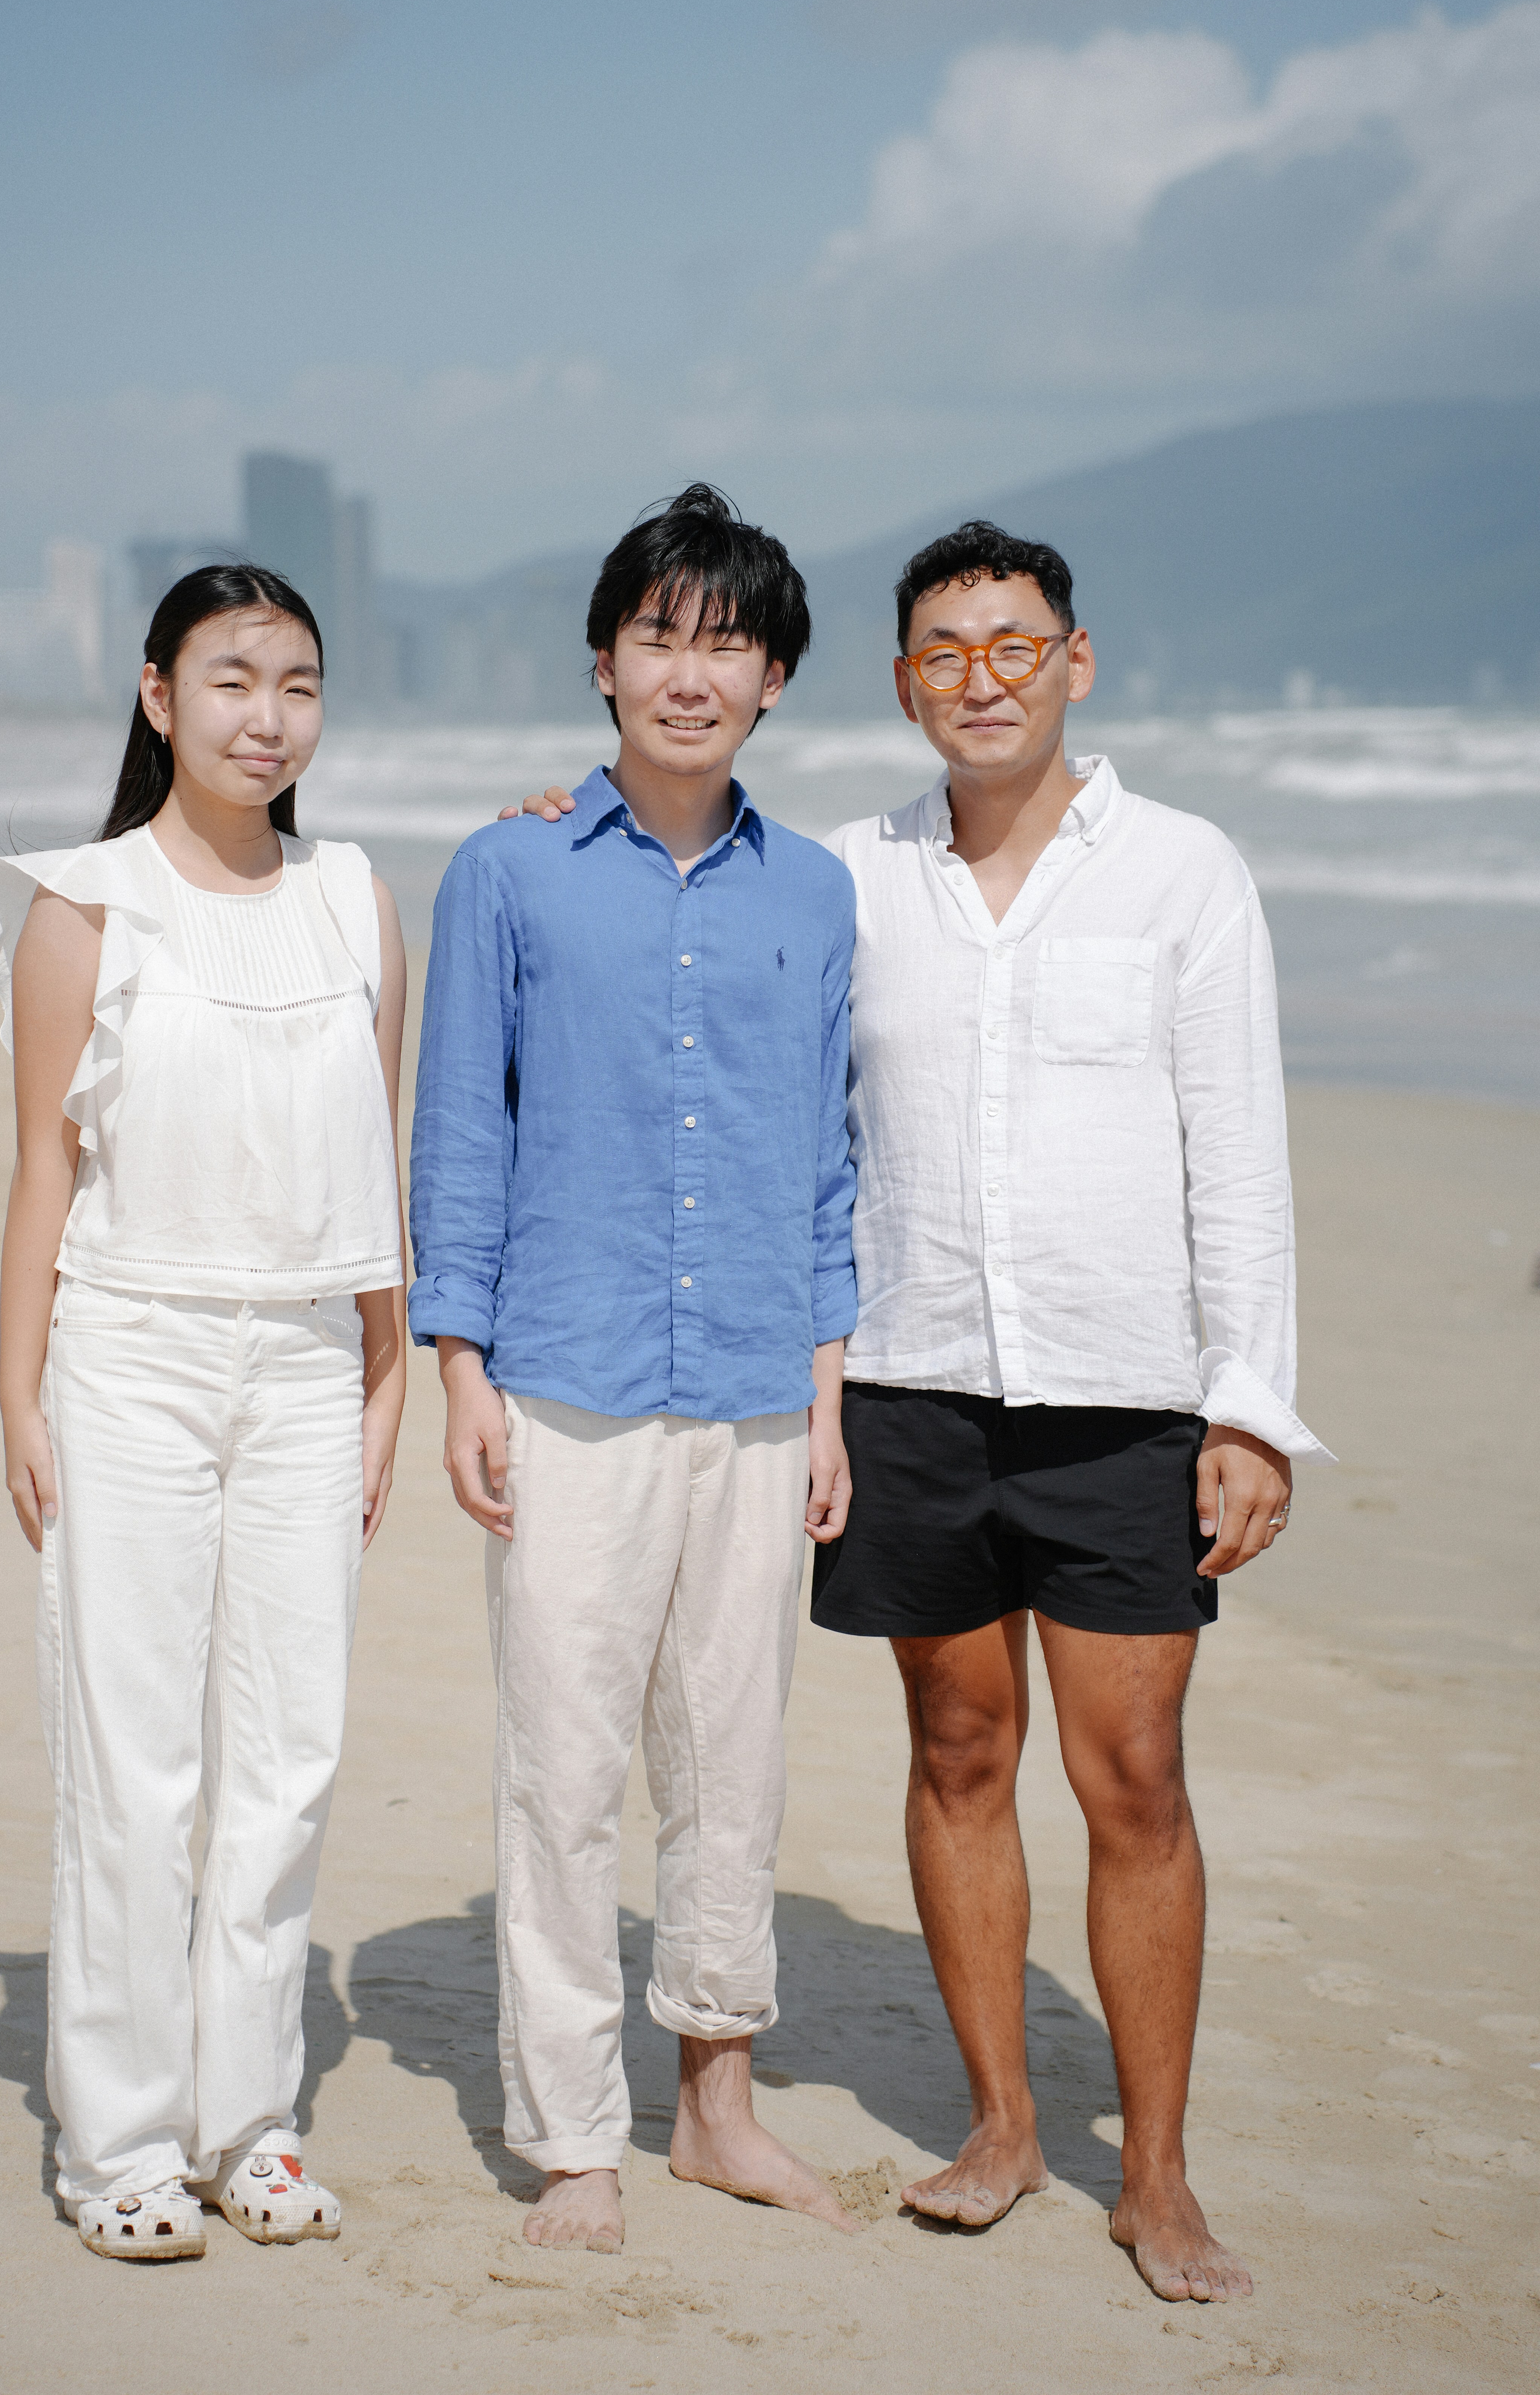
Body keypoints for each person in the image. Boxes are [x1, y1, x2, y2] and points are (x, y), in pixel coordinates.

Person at [501, 517, 1331, 2306]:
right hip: (908, 1385)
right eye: (944, 652)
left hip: (1121, 1397)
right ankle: (1004, 2126)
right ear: (896, 685)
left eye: (1011, 645)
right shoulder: (842, 879)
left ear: (1074, 661)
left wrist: (1247, 1410)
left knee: (1135, 1781)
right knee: (956, 1753)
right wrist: (544, 833)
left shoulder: (1184, 874)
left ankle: (1160, 2177)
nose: (980, 678)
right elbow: (688, 932)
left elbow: (1241, 1158)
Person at [409, 485, 861, 2256]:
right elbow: (461, 1134)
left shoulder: (817, 891)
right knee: (564, 1764)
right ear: (604, 660)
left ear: (772, 678)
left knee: (732, 1758)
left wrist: (827, 1400)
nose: (691, 671)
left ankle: (716, 2107)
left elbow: (827, 1163)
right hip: (567, 1380)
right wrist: (461, 1369)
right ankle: (574, 2135)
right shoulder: (507, 869)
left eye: (726, 640)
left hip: (758, 1385)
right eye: (658, 635)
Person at [0, 562, 407, 2262]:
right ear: (159, 696)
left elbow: (376, 1162)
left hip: (310, 1366)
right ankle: (121, 2146)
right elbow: (42, 1165)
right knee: (133, 1760)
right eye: (232, 680)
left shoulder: (361, 895)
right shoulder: (82, 907)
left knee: (287, 1758)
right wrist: (13, 1391)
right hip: (135, 1358)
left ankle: (252, 2123)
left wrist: (389, 1371)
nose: (267, 717)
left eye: (297, 684)